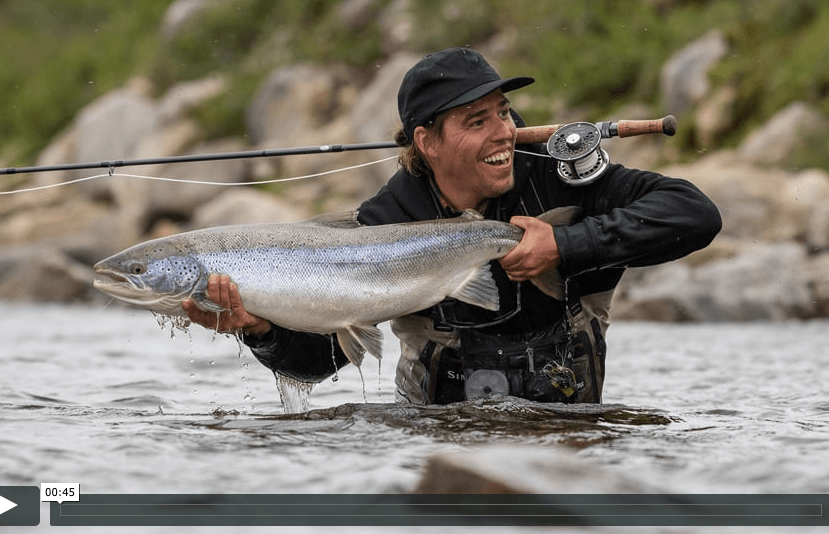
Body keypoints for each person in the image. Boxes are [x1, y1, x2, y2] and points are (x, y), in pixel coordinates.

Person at [183, 47, 721, 404]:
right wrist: (259, 331)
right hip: (436, 435)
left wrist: (564, 243)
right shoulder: (386, 222)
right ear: (427, 142)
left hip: (570, 430)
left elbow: (695, 214)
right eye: (477, 121)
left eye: (503, 112)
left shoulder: (562, 180)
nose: (503, 133)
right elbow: (321, 363)